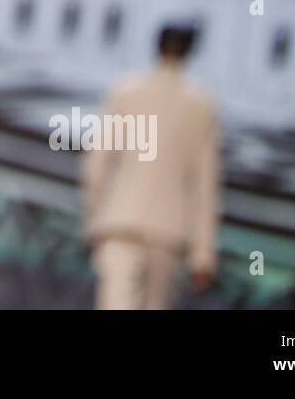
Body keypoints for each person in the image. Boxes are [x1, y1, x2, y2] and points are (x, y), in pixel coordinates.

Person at [81, 23, 220, 309]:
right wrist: (203, 254)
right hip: (169, 231)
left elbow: (97, 164)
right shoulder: (201, 105)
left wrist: (95, 219)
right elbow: (205, 185)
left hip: (121, 222)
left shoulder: (127, 91)